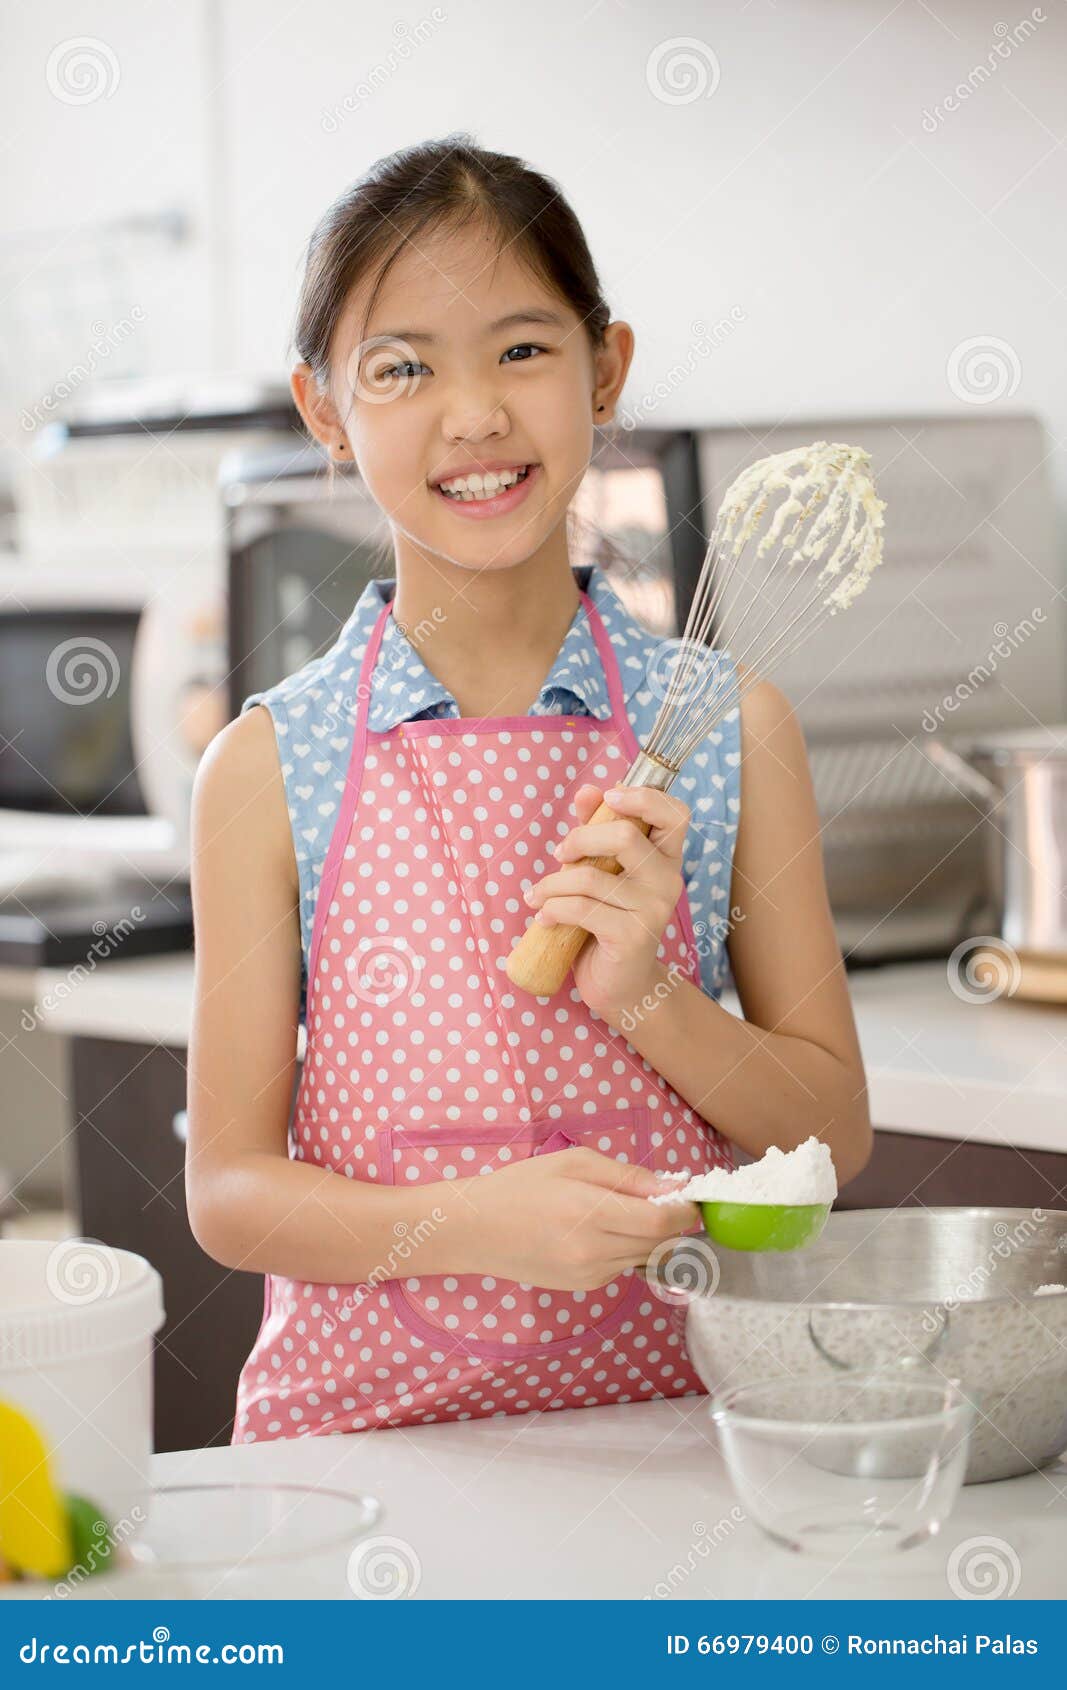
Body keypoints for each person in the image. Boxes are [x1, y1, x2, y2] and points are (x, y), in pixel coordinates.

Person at [186, 134, 871, 1442]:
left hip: (678, 1438)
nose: (475, 414)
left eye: (520, 349)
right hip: (367, 1448)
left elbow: (834, 1133)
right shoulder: (269, 768)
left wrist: (652, 995)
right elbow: (227, 1188)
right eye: (402, 368)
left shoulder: (729, 727)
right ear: (325, 408)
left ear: (604, 368)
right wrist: (469, 1226)